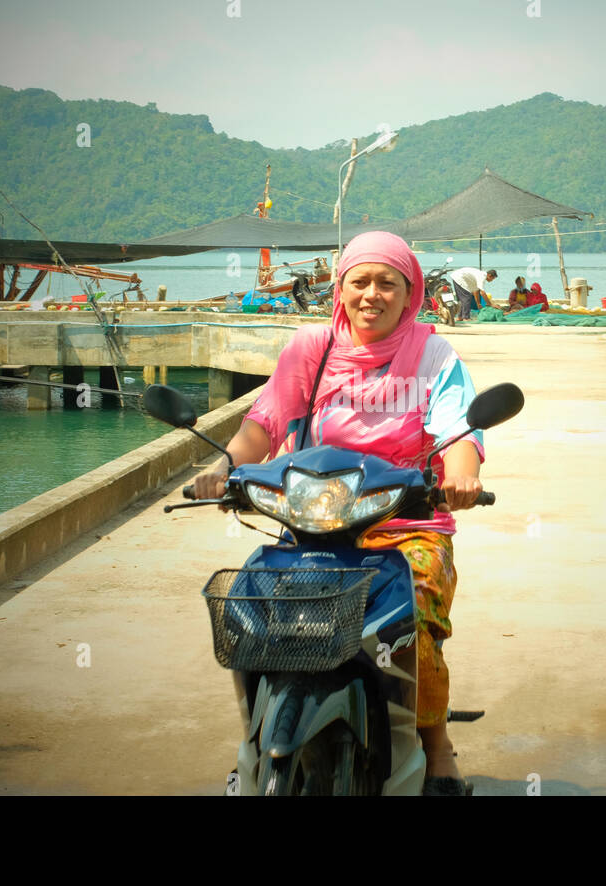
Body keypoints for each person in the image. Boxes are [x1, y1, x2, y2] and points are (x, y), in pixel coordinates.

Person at [192, 231, 486, 796]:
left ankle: (436, 748)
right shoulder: (312, 348)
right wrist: (224, 468)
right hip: (313, 525)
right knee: (257, 614)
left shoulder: (432, 354)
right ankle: (256, 741)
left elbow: (458, 429)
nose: (371, 295)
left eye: (387, 284)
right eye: (360, 281)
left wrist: (462, 476)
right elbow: (266, 422)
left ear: (410, 294)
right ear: (341, 289)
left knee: (415, 616)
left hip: (405, 523)